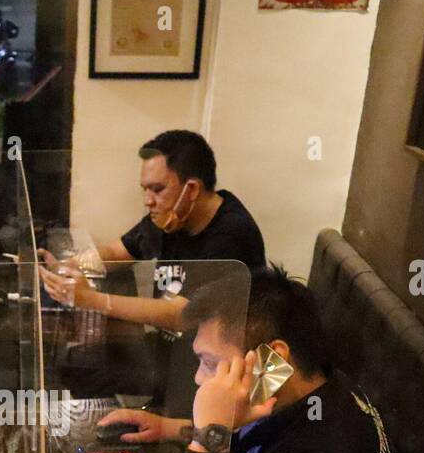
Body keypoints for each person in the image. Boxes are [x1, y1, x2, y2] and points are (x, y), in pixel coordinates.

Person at [97, 265, 403, 453]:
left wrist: (208, 441)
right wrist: (173, 429)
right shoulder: (310, 388)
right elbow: (253, 436)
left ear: (273, 359)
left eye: (210, 363)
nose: (199, 379)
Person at [35, 130, 267, 331]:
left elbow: (180, 316)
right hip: (173, 351)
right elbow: (117, 252)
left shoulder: (231, 235)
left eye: (157, 190)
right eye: (145, 190)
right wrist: (69, 265)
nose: (148, 201)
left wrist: (92, 299)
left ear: (192, 189)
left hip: (217, 365)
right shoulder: (174, 216)